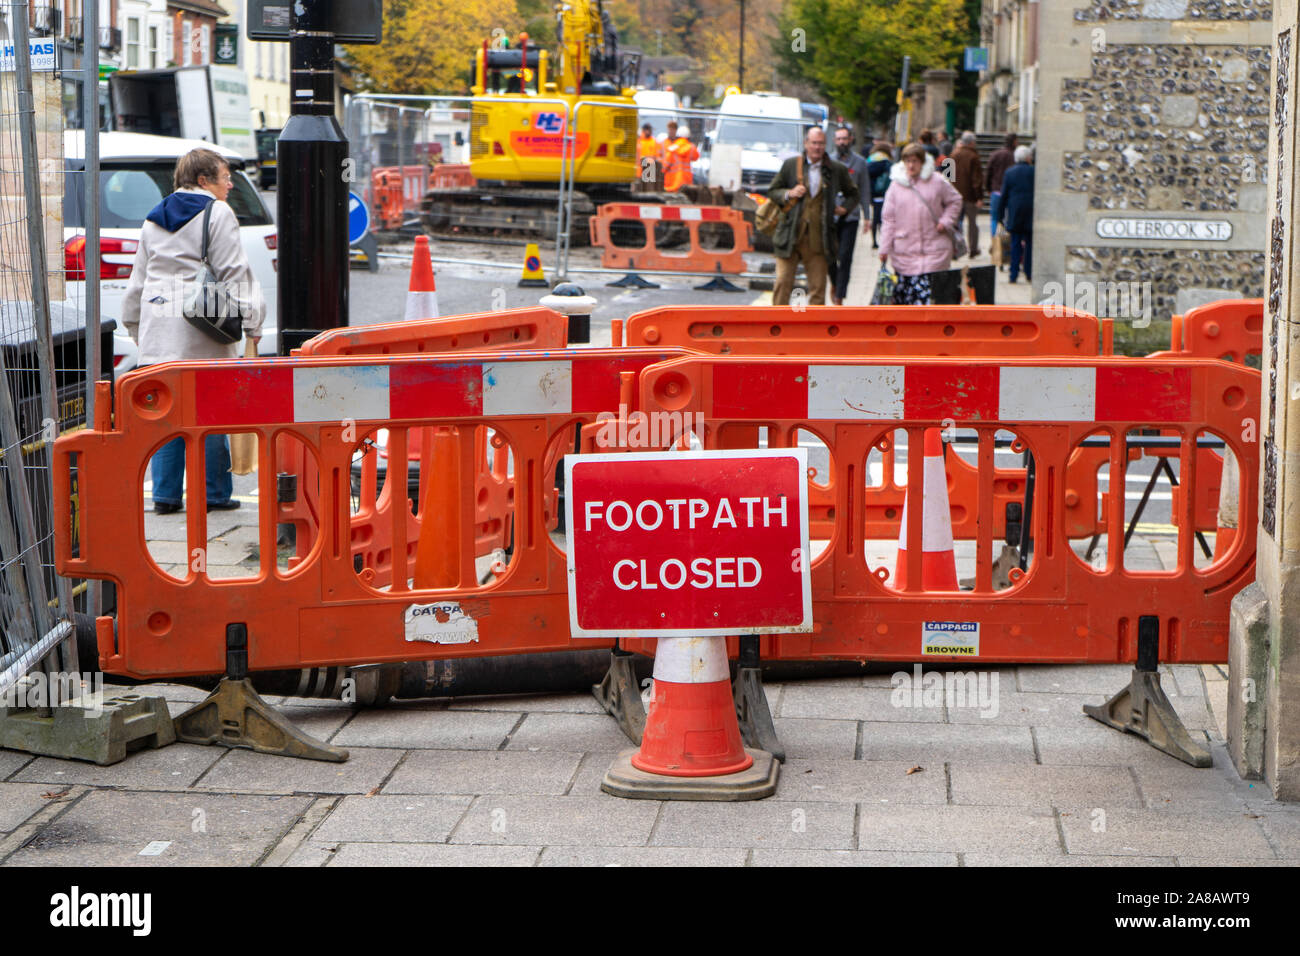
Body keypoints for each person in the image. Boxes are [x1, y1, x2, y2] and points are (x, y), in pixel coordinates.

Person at [122, 148, 266, 514]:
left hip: (158, 324)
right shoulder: (217, 212)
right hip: (201, 326)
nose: (230, 184)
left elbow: (138, 280)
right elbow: (235, 272)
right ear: (204, 180)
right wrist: (252, 322)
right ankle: (213, 493)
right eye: (224, 176)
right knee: (209, 408)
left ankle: (166, 496)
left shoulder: (154, 218)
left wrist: (136, 326)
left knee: (168, 412)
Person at [766, 126, 860, 306]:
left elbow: (853, 193)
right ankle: (778, 324)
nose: (817, 147)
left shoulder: (836, 169)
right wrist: (789, 193)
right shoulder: (791, 165)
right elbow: (772, 191)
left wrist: (844, 209)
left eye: (821, 143)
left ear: (826, 145)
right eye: (814, 143)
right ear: (806, 143)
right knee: (783, 282)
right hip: (790, 236)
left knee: (818, 288)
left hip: (819, 239)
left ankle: (814, 330)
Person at [878, 141, 963, 305]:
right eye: (907, 161)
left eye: (915, 161)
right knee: (908, 306)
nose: (911, 165)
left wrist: (946, 221)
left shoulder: (937, 181)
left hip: (935, 252)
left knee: (931, 304)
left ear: (922, 162)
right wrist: (884, 248)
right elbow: (888, 219)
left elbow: (955, 200)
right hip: (905, 253)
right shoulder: (896, 186)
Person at [829, 125, 871, 306]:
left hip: (851, 217)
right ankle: (834, 282)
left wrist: (867, 216)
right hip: (831, 217)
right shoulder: (828, 160)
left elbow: (865, 190)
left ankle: (839, 296)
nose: (841, 142)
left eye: (844, 139)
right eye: (838, 139)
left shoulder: (860, 162)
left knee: (845, 256)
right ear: (834, 141)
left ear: (851, 140)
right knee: (830, 256)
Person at [999, 144, 1035, 283]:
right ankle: (1028, 272)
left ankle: (1013, 274)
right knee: (1030, 243)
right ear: (1027, 157)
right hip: (1030, 211)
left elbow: (1004, 195)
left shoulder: (1009, 172)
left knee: (1015, 243)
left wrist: (1000, 214)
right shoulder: (1033, 171)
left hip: (1015, 211)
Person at [949, 131, 984, 257]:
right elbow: (977, 179)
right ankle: (973, 249)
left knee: (954, 223)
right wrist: (979, 196)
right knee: (972, 223)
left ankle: (954, 249)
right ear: (971, 143)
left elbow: (948, 176)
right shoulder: (974, 157)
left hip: (954, 195)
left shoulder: (953, 154)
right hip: (970, 196)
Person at [984, 132, 1018, 256]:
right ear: (1014, 142)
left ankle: (995, 243)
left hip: (996, 191)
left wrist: (988, 187)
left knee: (995, 219)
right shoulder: (1014, 157)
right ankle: (1007, 245)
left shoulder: (995, 155)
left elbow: (988, 172)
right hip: (1010, 193)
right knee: (1008, 219)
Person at [865, 140, 894, 250]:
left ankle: (874, 241)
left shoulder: (870, 160)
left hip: (872, 193)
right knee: (883, 218)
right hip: (883, 193)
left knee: (875, 217)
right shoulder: (886, 161)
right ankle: (883, 241)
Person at [662, 124, 698, 192]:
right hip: (687, 182)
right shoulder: (691, 147)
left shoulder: (672, 148)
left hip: (673, 183)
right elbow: (696, 157)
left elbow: (665, 166)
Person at [636, 122, 662, 191]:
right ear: (644, 130)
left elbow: (657, 157)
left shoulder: (654, 142)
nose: (651, 132)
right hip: (639, 172)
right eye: (649, 130)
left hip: (650, 172)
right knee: (639, 190)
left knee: (649, 190)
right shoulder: (638, 141)